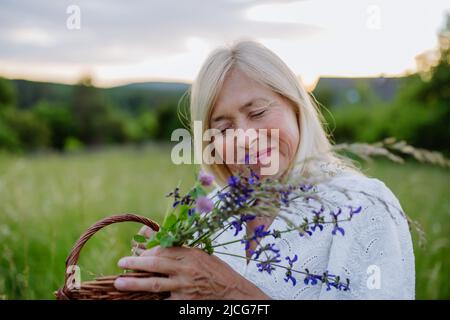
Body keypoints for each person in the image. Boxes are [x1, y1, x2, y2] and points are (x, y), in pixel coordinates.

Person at [113, 40, 415, 299]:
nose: (245, 138)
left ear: (295, 107)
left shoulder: (363, 206)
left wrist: (231, 292)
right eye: (224, 127)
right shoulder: (208, 213)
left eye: (257, 112)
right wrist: (164, 276)